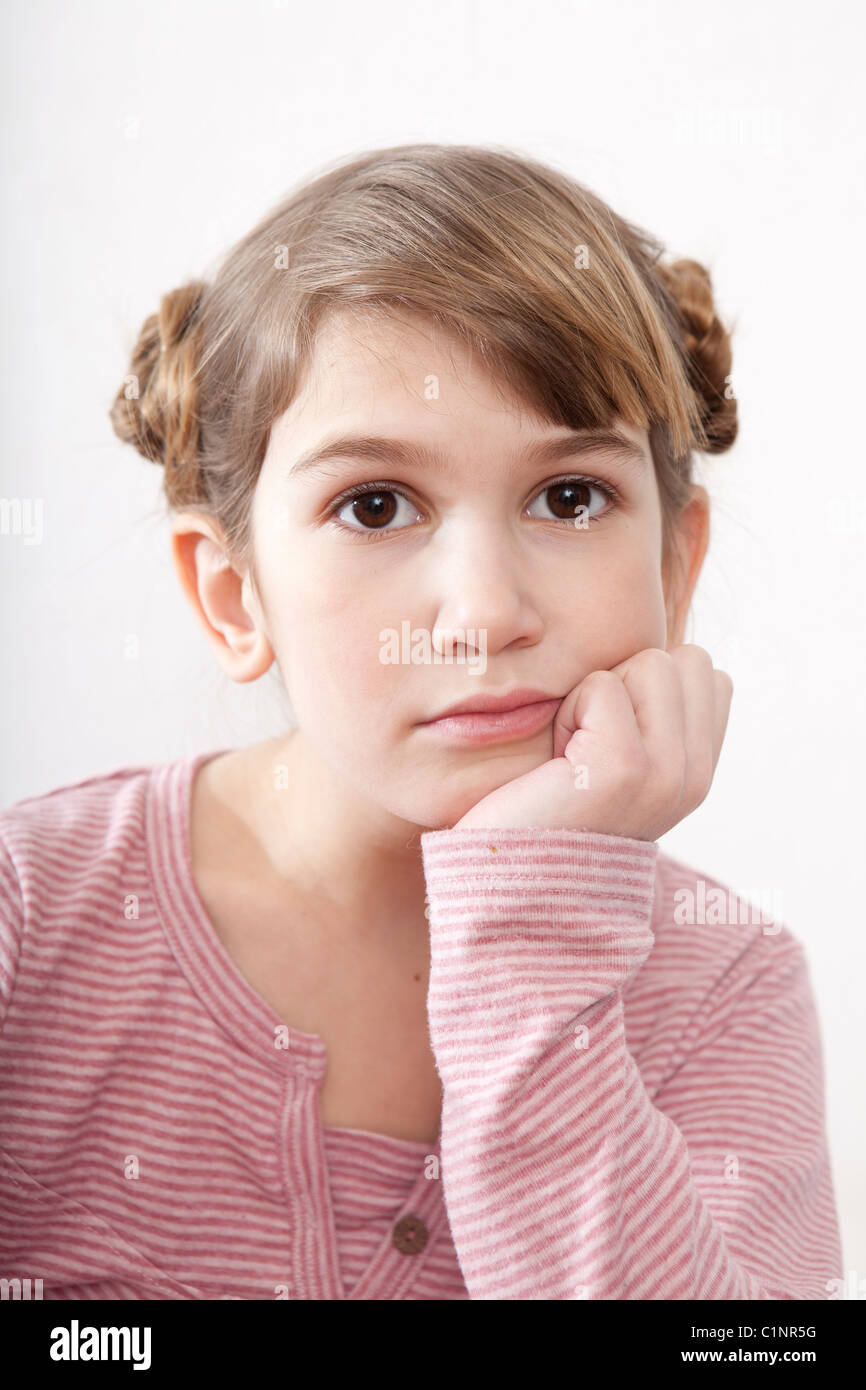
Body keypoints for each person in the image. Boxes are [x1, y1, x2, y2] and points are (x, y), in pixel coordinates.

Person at [0, 143, 842, 1299]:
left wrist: (532, 930)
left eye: (568, 496)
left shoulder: (724, 986)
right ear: (233, 595)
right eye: (376, 505)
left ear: (671, 560)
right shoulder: (30, 919)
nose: (485, 611)